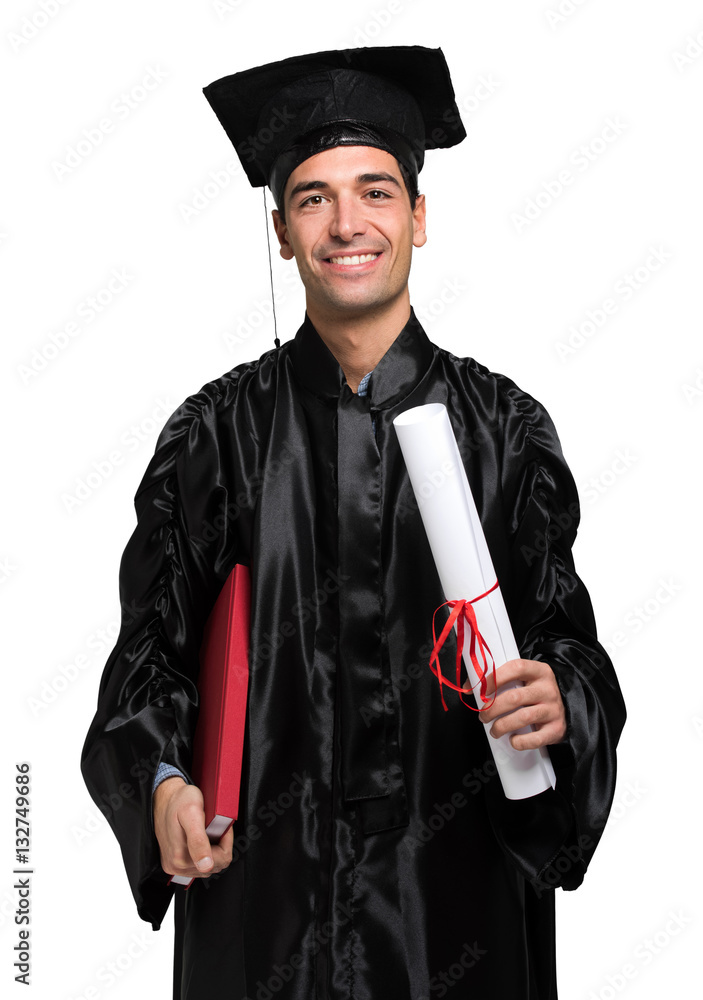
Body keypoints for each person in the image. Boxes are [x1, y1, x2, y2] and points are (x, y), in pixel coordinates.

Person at [81, 46, 626, 1000]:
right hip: (264, 904)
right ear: (284, 234)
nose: (347, 223)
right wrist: (160, 780)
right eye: (312, 197)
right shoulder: (216, 434)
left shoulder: (504, 429)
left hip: (454, 907)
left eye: (375, 191)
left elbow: (567, 647)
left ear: (418, 217)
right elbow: (146, 664)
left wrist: (559, 702)